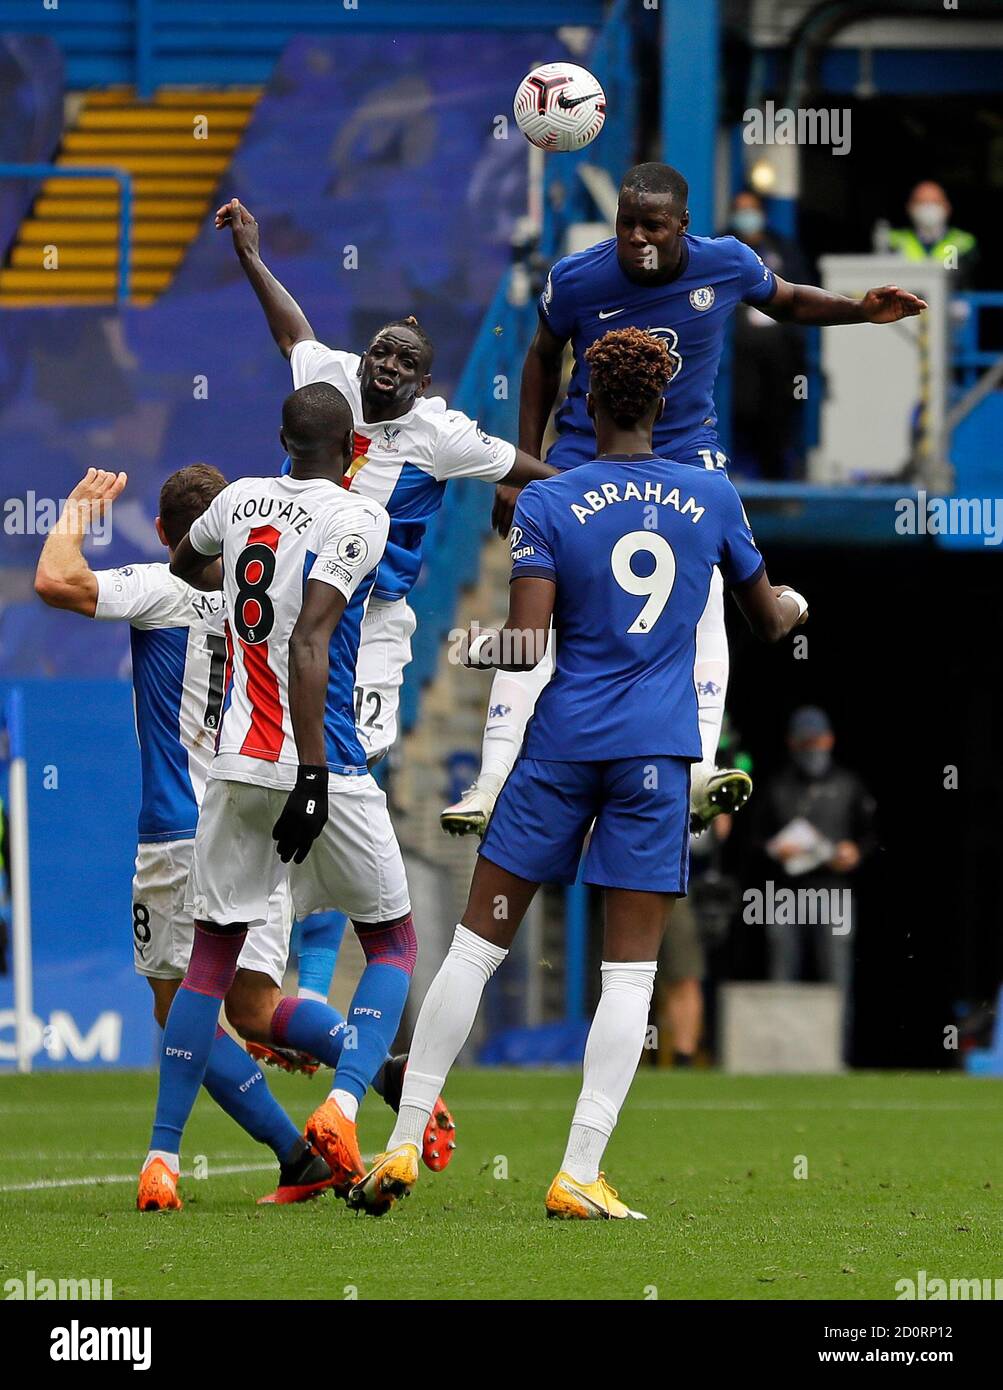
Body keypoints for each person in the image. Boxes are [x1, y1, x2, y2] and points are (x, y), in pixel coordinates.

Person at [350, 327, 808, 1221]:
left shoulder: (550, 501)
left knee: (475, 951)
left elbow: (523, 646)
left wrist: (463, 640)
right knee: (628, 977)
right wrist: (792, 604)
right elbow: (766, 623)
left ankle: (402, 1140)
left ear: (585, 405)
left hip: (555, 751)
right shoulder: (712, 496)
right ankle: (578, 1171)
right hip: (653, 760)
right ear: (666, 405)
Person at [442, 161, 924, 840]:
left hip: (683, 458)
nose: (635, 237)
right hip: (586, 455)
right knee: (540, 618)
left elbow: (784, 300)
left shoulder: (725, 263)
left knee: (702, 598)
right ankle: (490, 781)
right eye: (626, 222)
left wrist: (859, 311)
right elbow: (539, 358)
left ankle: (696, 768)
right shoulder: (578, 276)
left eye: (651, 225)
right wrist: (524, 470)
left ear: (682, 227)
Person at [215, 197, 556, 1035]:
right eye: (381, 353)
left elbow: (529, 468)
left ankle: (318, 983)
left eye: (406, 362)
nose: (388, 367)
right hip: (294, 616)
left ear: (423, 382)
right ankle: (269, 969)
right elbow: (290, 331)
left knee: (340, 781)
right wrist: (253, 257)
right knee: (269, 771)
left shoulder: (440, 434)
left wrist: (563, 490)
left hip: (369, 634)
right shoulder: (329, 380)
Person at [137, 383, 444, 1210]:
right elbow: (311, 638)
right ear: (352, 452)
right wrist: (311, 773)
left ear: (280, 439)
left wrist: (235, 579)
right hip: (327, 763)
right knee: (392, 945)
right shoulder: (359, 519)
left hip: (234, 768)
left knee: (205, 968)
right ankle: (343, 1106)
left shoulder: (238, 499)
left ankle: (161, 1163)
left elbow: (183, 564)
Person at [34, 464, 333, 1206]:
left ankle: (284, 1153)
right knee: (258, 1011)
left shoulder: (162, 590)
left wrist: (75, 511)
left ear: (168, 534)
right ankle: (382, 1078)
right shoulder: (272, 603)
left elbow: (53, 580)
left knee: (178, 1011)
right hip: (257, 819)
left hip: (175, 834)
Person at [751, 705, 877, 1058]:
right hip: (784, 894)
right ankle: (783, 1055)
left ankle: (835, 1055)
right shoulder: (776, 787)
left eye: (817, 740)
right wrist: (777, 851)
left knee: (836, 978)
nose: (812, 748)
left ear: (830, 740)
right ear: (793, 743)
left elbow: (870, 838)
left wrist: (856, 852)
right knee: (783, 973)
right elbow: (754, 841)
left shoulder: (849, 785)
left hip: (833, 891)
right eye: (805, 742)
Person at [727, 190, 809, 480]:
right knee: (742, 409)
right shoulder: (723, 249)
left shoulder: (782, 249)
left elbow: (801, 294)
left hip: (779, 350)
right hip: (739, 350)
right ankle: (736, 474)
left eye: (752, 209)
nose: (747, 216)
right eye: (741, 209)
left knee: (777, 415)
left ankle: (776, 481)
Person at [888, 182, 978, 288]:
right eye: (921, 202)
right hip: (907, 301)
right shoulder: (894, 241)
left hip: (949, 301)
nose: (928, 208)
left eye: (935, 202)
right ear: (909, 207)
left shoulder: (963, 242)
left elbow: (963, 278)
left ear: (947, 206)